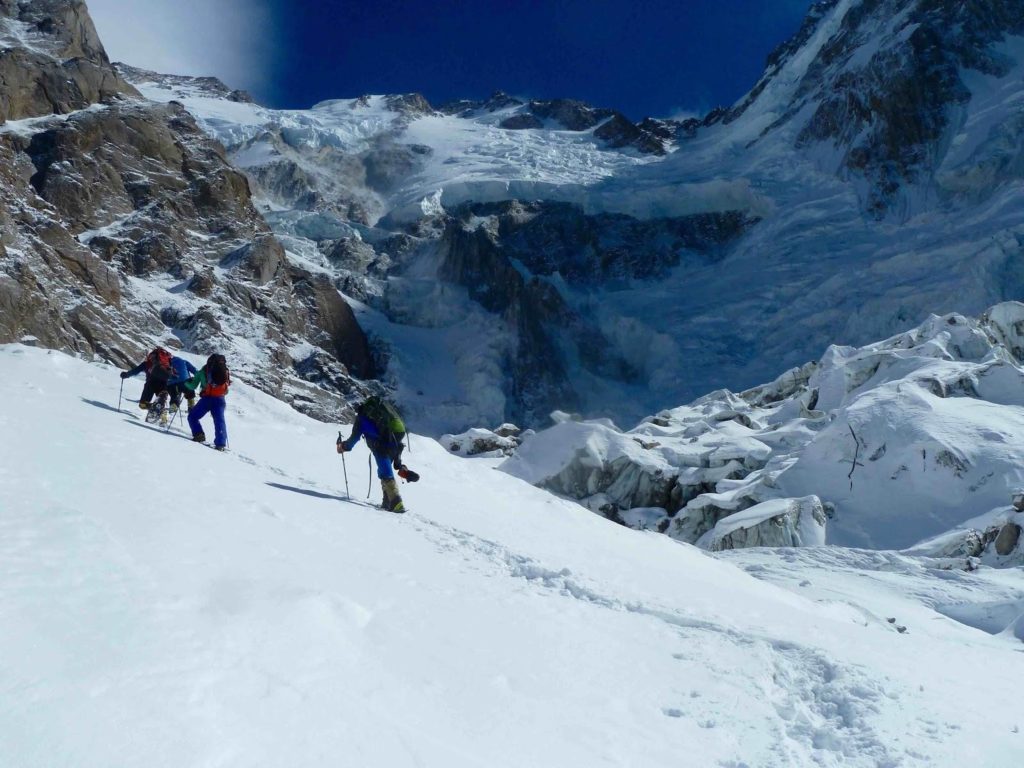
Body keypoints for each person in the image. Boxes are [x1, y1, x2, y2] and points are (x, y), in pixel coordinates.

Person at [337, 396, 419, 513]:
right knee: (384, 469)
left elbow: (353, 440)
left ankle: (396, 502)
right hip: (395, 438)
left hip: (380, 444)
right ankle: (387, 502)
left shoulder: (362, 419)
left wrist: (343, 447)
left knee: (385, 471)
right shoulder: (384, 416)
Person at [184, 354, 231, 451]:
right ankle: (221, 443)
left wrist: (186, 382)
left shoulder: (203, 371)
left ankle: (199, 435)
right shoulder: (224, 370)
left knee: (192, 416)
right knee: (219, 420)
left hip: (207, 399)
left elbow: (192, 386)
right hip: (220, 399)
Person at [120, 347, 174, 415]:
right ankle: (163, 414)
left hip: (151, 383)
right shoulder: (167, 364)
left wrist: (126, 375)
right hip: (164, 384)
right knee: (161, 402)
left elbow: (136, 370)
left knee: (142, 404)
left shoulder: (147, 363)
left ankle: (153, 407)